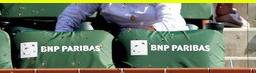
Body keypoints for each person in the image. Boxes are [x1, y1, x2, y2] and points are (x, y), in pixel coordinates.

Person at [56, 3, 188, 31]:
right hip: (117, 46)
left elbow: (172, 23)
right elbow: (69, 17)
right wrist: (62, 42)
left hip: (161, 43)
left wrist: (137, 40)